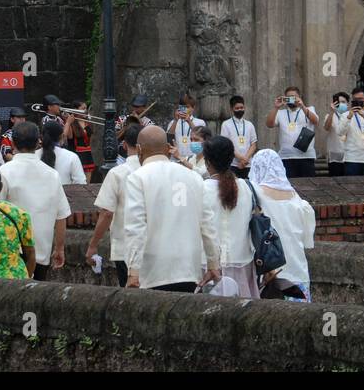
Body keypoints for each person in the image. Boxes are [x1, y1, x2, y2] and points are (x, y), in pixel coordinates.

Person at [122, 125, 219, 292]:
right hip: (189, 268)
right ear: (168, 148)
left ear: (139, 150)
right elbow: (208, 224)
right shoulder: (194, 177)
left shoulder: (137, 178)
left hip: (154, 271)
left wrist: (133, 271)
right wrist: (213, 263)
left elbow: (135, 228)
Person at [0, 121, 71, 280]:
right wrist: (59, 249)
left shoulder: (4, 172)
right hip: (41, 251)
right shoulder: (52, 174)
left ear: (13, 142)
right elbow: (61, 216)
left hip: (9, 252)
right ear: (38, 141)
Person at [248, 150, 316, 301]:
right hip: (298, 272)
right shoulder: (297, 200)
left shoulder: (255, 193)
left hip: (268, 275)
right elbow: (307, 240)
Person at [86, 122, 143, 286]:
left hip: (125, 245)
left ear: (124, 145)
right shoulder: (158, 172)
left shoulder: (118, 173)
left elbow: (106, 213)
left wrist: (93, 245)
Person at [202, 135, 258, 299]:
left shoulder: (200, 189)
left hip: (208, 267)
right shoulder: (247, 187)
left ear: (207, 162)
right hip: (241, 262)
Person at [265, 85, 319, 179]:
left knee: (308, 186)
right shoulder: (281, 113)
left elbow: (315, 121)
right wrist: (276, 107)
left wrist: (302, 106)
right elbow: (269, 124)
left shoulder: (309, 109)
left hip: (306, 156)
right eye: (288, 97)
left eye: (293, 97)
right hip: (286, 157)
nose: (291, 99)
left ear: (299, 97)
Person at [219, 95, 258, 177]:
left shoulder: (249, 124)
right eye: (237, 108)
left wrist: (245, 159)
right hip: (232, 164)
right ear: (232, 109)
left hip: (248, 164)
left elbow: (253, 144)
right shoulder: (226, 124)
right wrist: (241, 158)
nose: (240, 110)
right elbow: (226, 145)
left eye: (242, 107)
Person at [40, 118, 87, 185]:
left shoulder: (33, 155)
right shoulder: (72, 156)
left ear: (42, 136)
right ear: (62, 136)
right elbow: (81, 182)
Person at [320, 92, 350, 177]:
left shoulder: (351, 116)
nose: (341, 104)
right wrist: (332, 112)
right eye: (339, 102)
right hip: (335, 156)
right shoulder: (330, 116)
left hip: (349, 156)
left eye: (343, 102)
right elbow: (326, 128)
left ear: (348, 103)